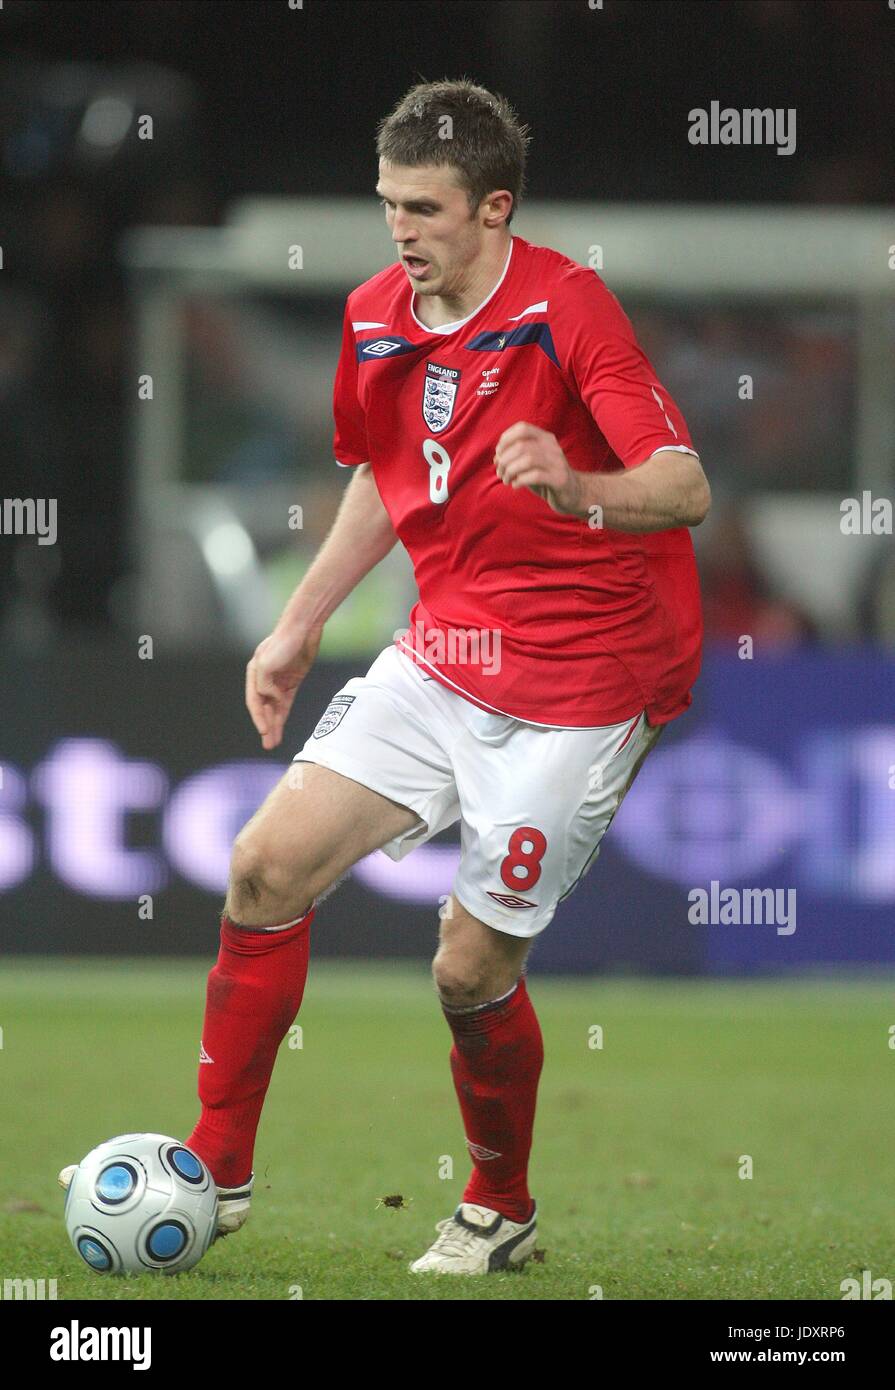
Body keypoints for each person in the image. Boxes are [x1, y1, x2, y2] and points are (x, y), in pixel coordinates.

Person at [60, 78, 710, 1276]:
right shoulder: (375, 317)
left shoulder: (572, 312)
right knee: (263, 864)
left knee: (467, 966)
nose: (401, 230)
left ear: (493, 209)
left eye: (423, 207)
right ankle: (218, 1167)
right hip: (447, 651)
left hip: (589, 682)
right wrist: (296, 626)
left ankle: (500, 1203)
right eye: (387, 205)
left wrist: (577, 484)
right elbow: (379, 474)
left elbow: (684, 486)